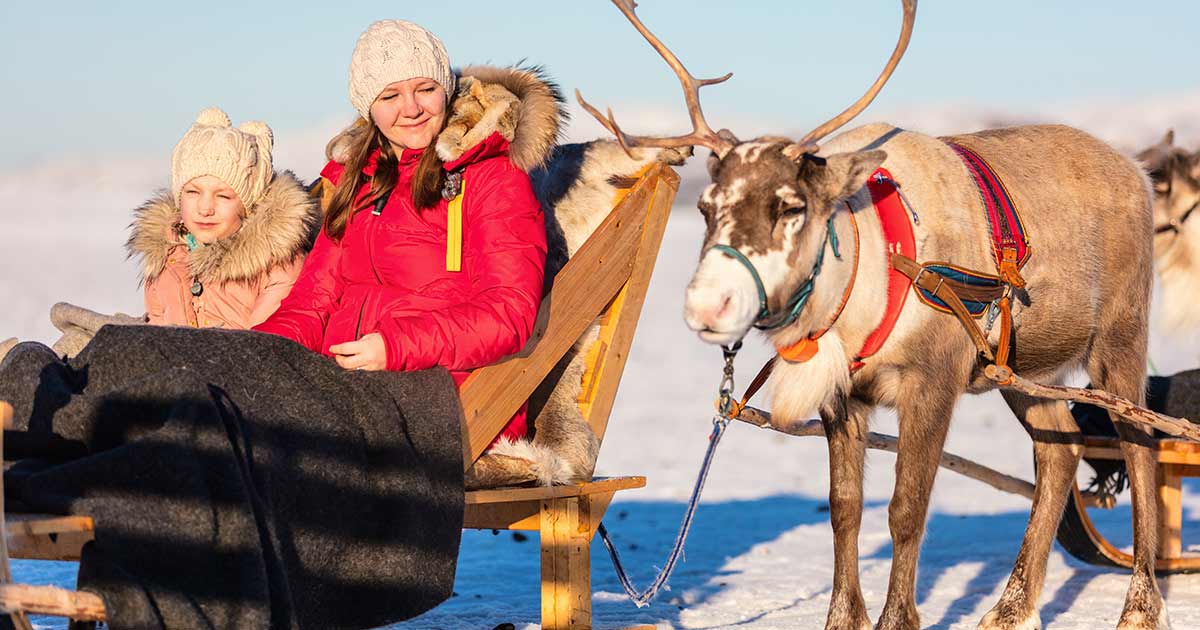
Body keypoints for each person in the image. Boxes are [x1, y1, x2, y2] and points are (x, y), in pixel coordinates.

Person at [255, 19, 549, 445]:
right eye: (390, 96)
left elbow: (507, 314)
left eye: (425, 89)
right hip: (354, 389)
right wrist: (246, 354)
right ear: (368, 108)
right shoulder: (359, 179)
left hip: (457, 401)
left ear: (445, 90)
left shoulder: (492, 175)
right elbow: (311, 303)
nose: (410, 108)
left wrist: (393, 347)